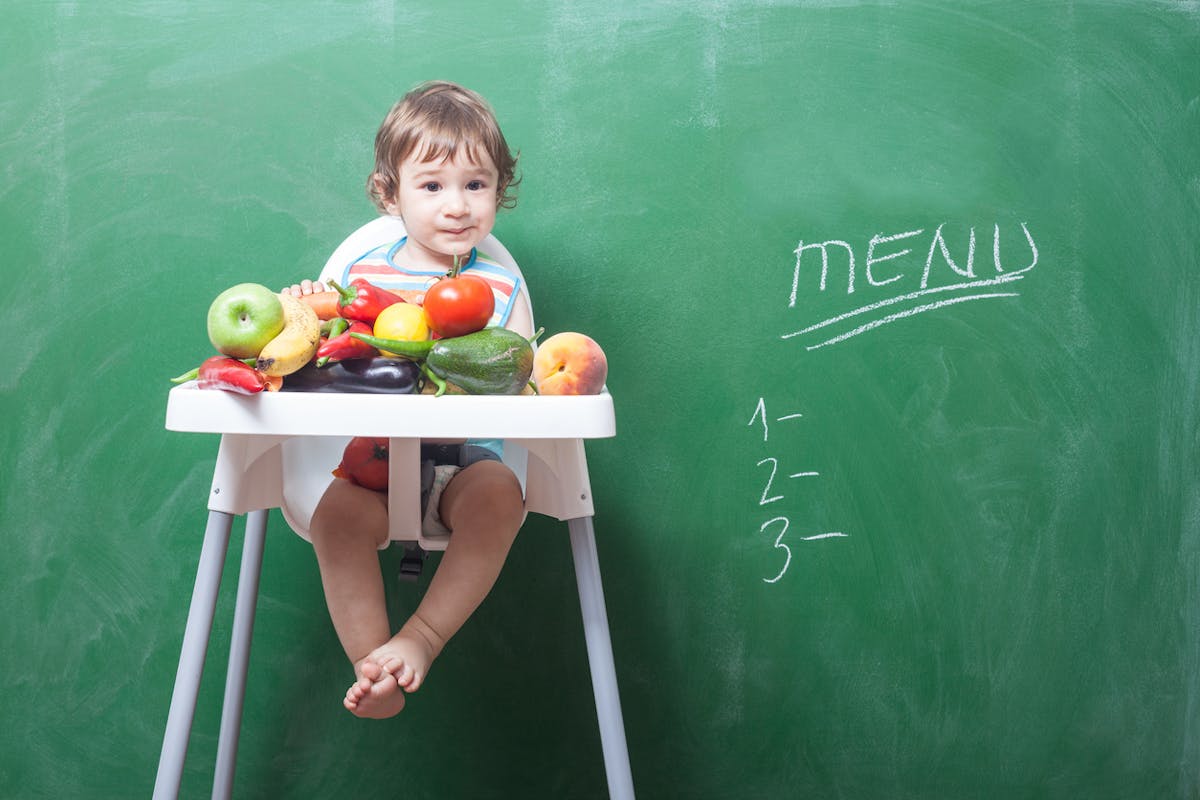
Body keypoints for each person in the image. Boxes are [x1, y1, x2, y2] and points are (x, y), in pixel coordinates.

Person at [285, 81, 530, 719]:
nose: (456, 206)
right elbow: (329, 364)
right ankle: (376, 669)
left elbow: (516, 379)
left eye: (476, 185)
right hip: (375, 461)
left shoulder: (498, 289)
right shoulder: (362, 281)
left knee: (501, 499)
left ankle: (420, 638)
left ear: (498, 192)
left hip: (463, 461)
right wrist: (306, 309)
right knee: (332, 520)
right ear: (390, 194)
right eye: (431, 186)